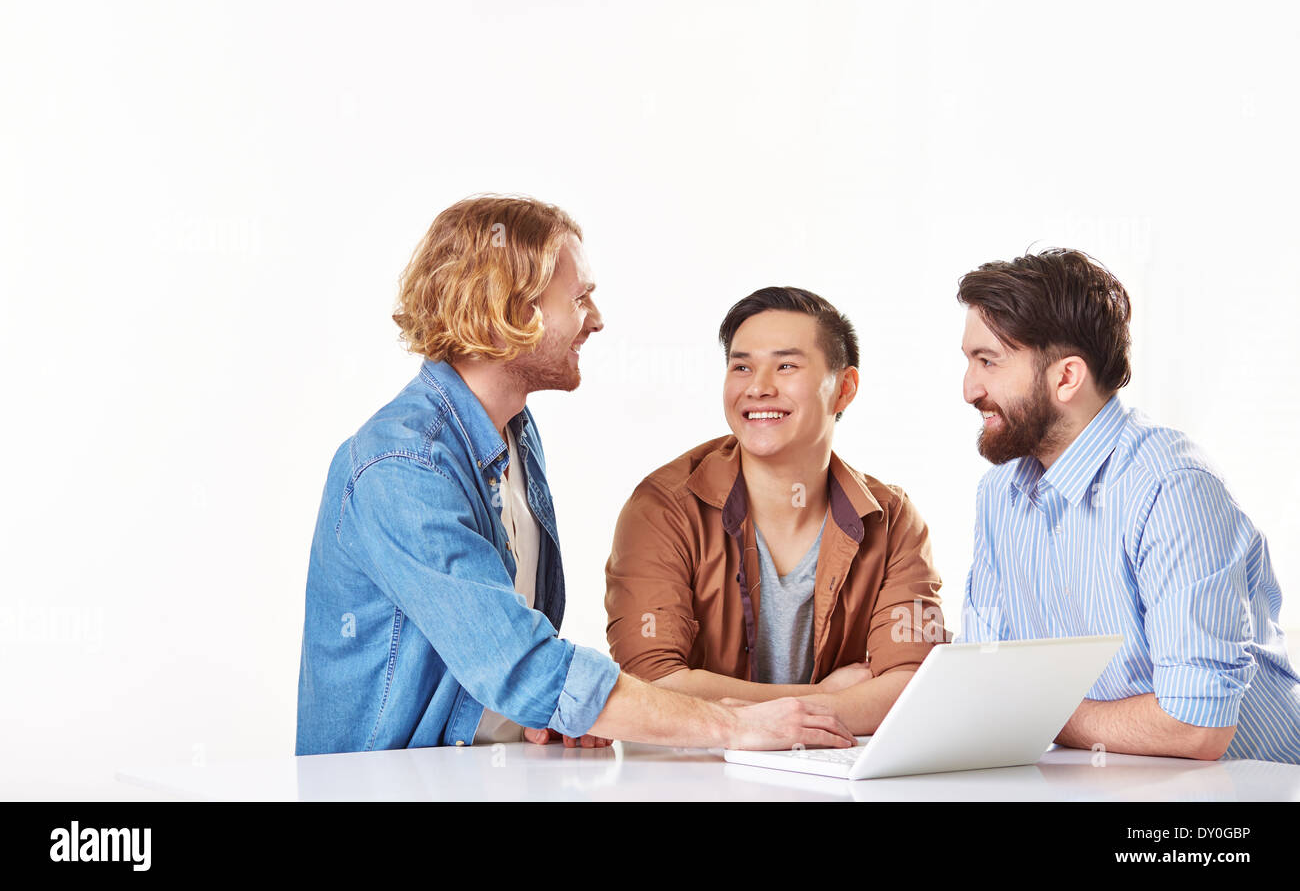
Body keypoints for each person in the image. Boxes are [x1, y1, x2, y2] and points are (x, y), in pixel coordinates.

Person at [294, 195, 855, 756]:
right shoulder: (404, 465)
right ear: (510, 309)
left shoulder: (513, 430)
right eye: (580, 298)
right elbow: (522, 664)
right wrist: (734, 725)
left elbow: (502, 649)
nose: (597, 319)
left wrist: (545, 711)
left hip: (484, 769)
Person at [956, 247, 1300, 763]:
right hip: (1105, 780)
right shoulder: (999, 493)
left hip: (1239, 794)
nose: (969, 389)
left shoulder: (1173, 487)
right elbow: (984, 680)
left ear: (1066, 377)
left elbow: (1194, 728)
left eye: (988, 361)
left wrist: (1038, 714)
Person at [605, 287, 948, 735]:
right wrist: (828, 697)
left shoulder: (892, 520)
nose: (758, 387)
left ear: (844, 389)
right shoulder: (663, 508)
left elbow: (914, 688)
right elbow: (649, 684)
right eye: (741, 366)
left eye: (786, 366)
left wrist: (718, 704)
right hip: (697, 779)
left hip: (835, 782)